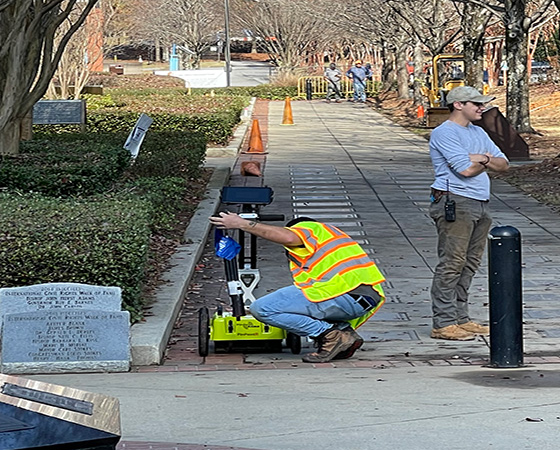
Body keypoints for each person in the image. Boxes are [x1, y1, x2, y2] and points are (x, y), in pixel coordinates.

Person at [209, 211, 385, 362]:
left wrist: (242, 224)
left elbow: (288, 236)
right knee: (291, 303)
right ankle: (342, 333)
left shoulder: (312, 229)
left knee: (262, 308)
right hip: (362, 299)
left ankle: (331, 335)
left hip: (340, 293)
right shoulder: (335, 237)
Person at [427, 85, 509, 340]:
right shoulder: (444, 133)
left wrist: (480, 158)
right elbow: (464, 170)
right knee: (452, 262)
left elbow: (504, 165)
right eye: (476, 104)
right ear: (459, 105)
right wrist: (484, 161)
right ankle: (443, 322)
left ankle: (460, 317)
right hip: (455, 201)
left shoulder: (479, 132)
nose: (482, 108)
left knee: (470, 263)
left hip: (480, 202)